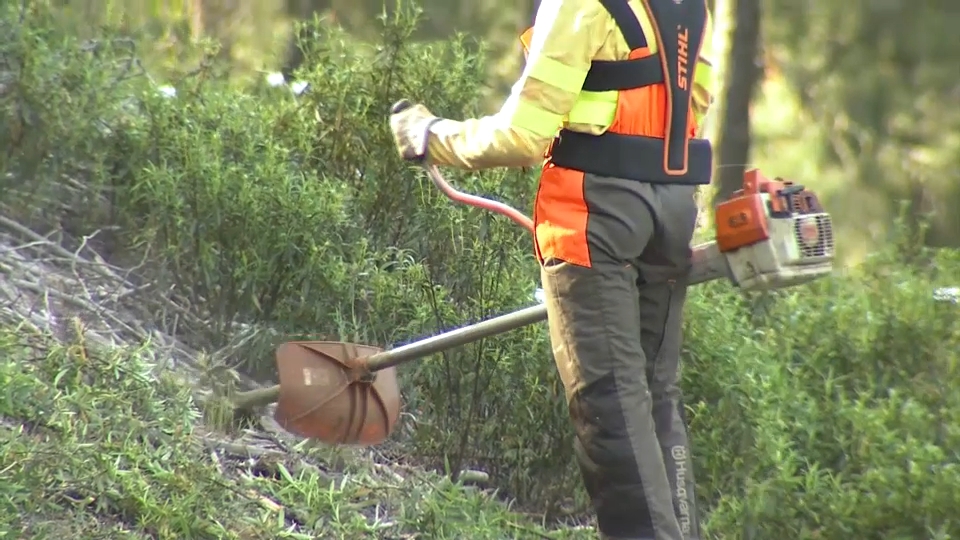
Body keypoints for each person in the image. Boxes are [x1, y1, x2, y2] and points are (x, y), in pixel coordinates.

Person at [388, 0, 716, 538]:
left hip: (595, 217)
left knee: (611, 404)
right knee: (657, 395)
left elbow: (522, 136)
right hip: (672, 214)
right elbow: (693, 107)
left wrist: (430, 134)